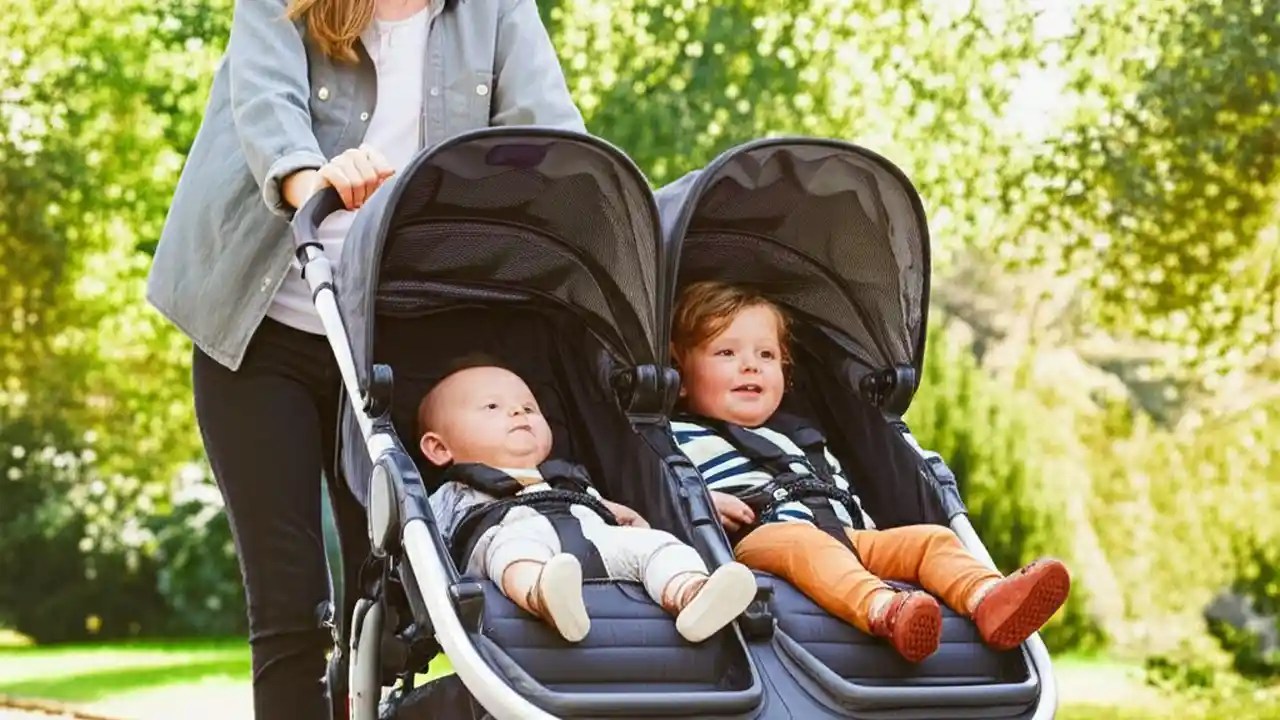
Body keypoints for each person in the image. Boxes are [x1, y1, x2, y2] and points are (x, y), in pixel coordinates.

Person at [145, 0, 585, 716]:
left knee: (382, 593)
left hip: (392, 333)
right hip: (261, 325)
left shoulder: (496, 11)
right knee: (292, 603)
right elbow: (267, 108)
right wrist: (312, 179)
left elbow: (550, 139)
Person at [669, 281, 1071, 663]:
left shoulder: (802, 436)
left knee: (933, 539)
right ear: (680, 375)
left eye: (766, 355)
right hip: (761, 542)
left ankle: (988, 598)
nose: (750, 367)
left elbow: (839, 488)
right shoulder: (675, 433)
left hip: (851, 538)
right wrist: (699, 500)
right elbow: (654, 489)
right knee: (802, 544)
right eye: (726, 353)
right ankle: (882, 607)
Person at [418, 361, 757, 643]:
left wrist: (626, 519)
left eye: (530, 407)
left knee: (658, 545)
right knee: (513, 550)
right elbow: (425, 538)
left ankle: (690, 594)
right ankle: (542, 595)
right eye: (493, 407)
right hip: (509, 536)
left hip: (594, 535)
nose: (518, 411)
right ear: (438, 448)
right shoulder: (454, 491)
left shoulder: (566, 477)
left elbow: (602, 509)